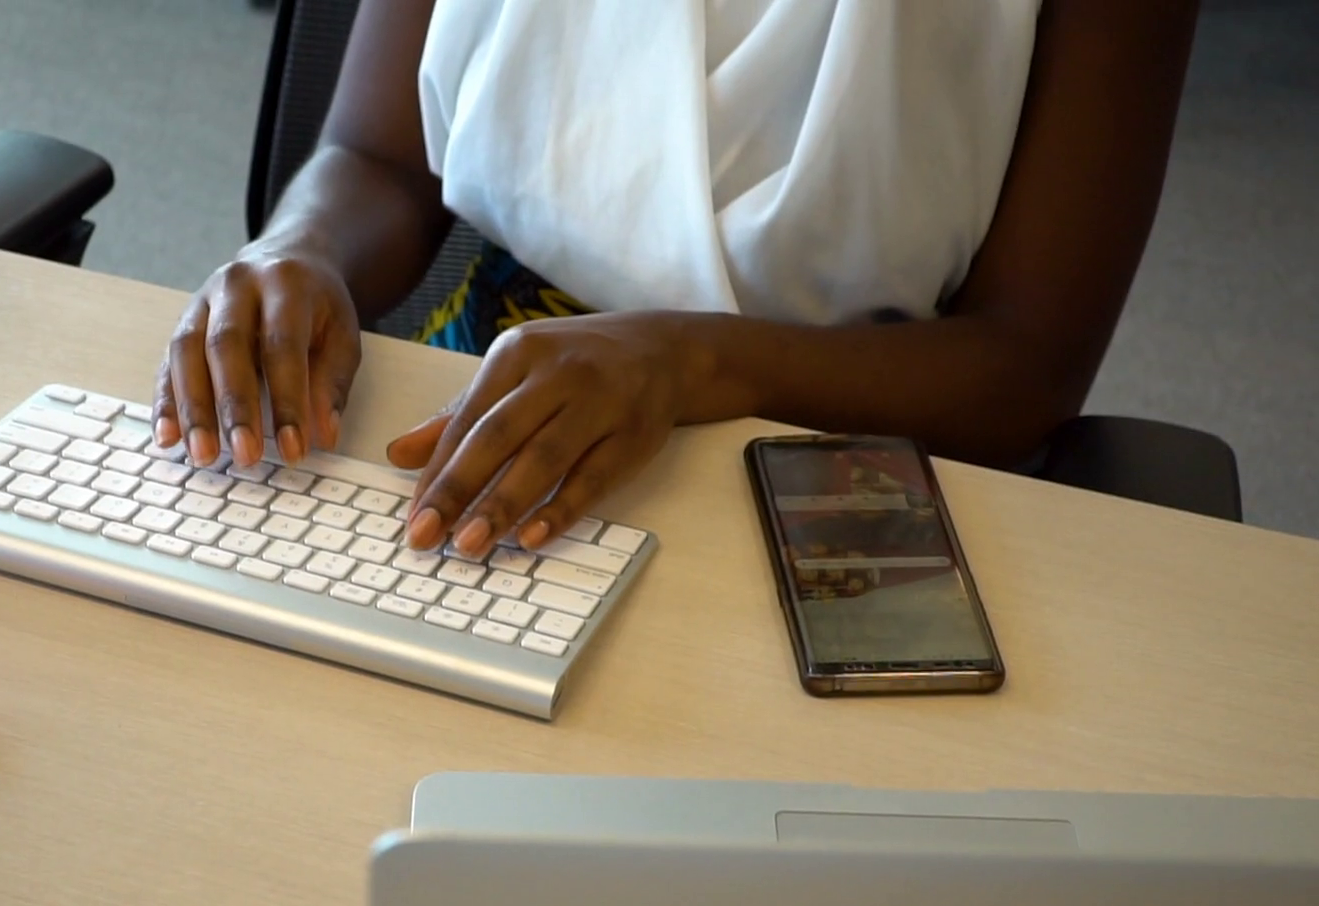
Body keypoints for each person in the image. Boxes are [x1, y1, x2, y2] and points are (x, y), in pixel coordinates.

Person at [155, 0, 1200, 562]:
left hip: (841, 454)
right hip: (490, 411)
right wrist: (296, 249)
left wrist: (689, 356)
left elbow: (1027, 364)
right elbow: (379, 156)